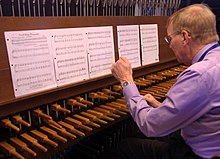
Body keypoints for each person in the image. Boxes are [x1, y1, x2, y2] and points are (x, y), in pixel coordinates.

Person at [111, 3, 220, 159]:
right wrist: (162, 108)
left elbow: (150, 125)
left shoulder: (199, 75)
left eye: (169, 38)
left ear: (184, 37)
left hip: (198, 154)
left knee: (125, 146)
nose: (169, 45)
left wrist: (126, 80)